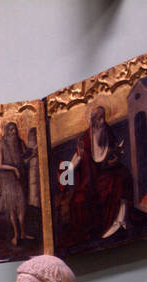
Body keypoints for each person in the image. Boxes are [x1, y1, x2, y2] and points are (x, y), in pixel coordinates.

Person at [56, 103, 133, 248]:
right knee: (80, 201)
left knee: (122, 177)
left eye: (103, 118)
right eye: (98, 119)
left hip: (107, 172)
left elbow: (112, 151)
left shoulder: (107, 131)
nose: (102, 122)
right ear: (92, 120)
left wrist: (115, 156)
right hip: (90, 179)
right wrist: (76, 160)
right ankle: (102, 230)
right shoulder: (85, 139)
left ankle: (120, 220)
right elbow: (74, 163)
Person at [0, 122, 32, 247]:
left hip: (20, 179)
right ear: (6, 131)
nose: (13, 132)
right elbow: (0, 164)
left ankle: (23, 233)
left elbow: (23, 160)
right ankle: (16, 235)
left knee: (22, 206)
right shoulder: (1, 144)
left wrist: (32, 156)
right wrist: (14, 169)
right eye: (11, 130)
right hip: (9, 180)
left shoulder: (20, 142)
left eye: (15, 129)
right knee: (12, 207)